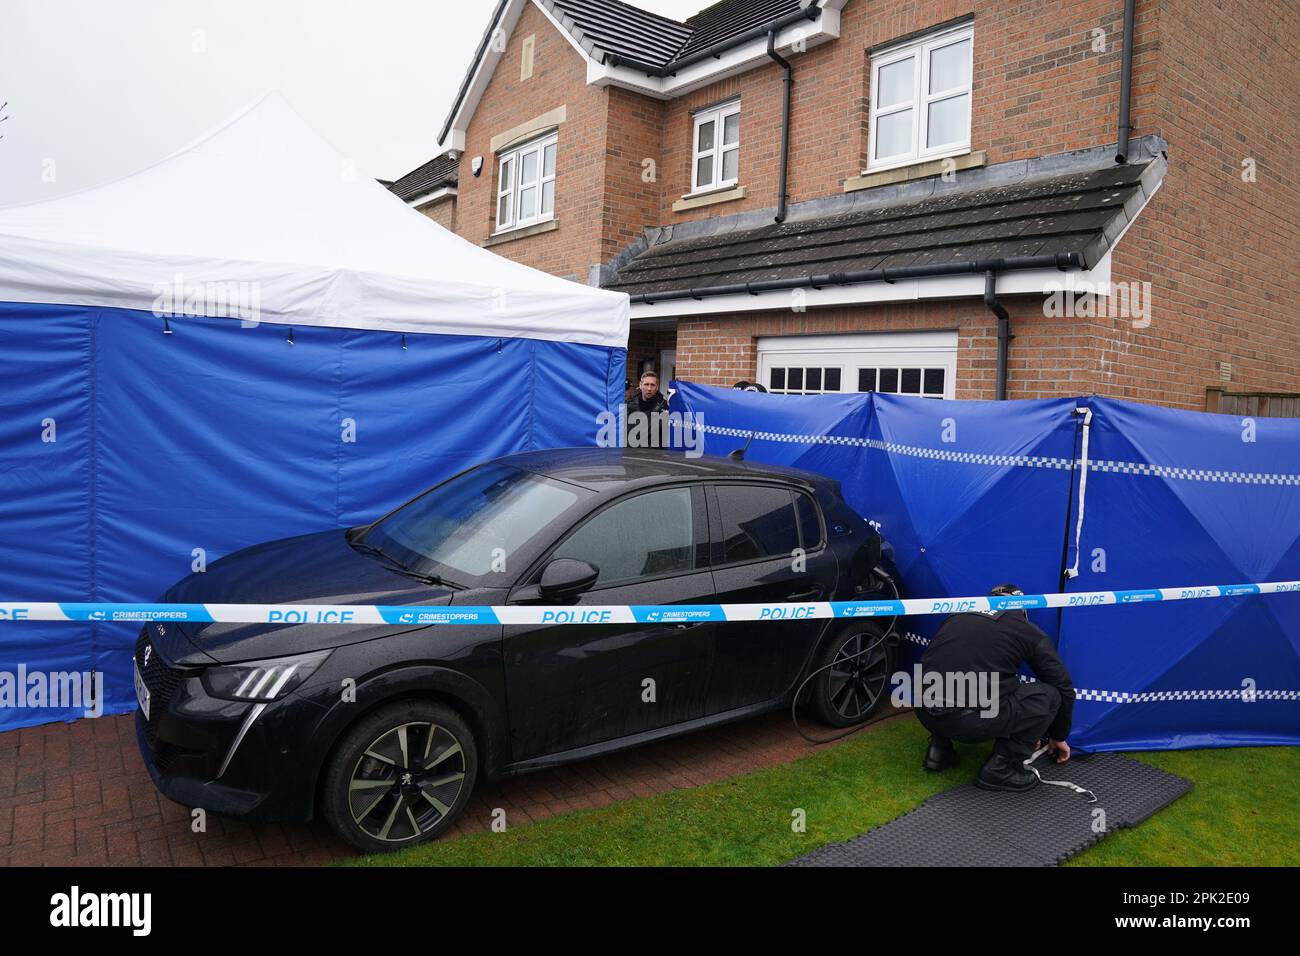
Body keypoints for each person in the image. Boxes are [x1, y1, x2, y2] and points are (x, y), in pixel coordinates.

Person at [914, 584, 1075, 792]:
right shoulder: (1026, 630)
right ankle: (1001, 768)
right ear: (1023, 609)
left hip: (922, 709)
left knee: (952, 681)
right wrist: (1058, 736)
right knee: (1049, 696)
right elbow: (1063, 687)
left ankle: (939, 750)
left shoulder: (957, 615)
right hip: (966, 719)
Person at [624, 370, 669, 447]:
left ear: (657, 387)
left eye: (652, 385)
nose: (649, 388)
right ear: (640, 385)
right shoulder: (629, 405)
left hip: (655, 454)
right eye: (646, 384)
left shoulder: (664, 407)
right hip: (632, 454)